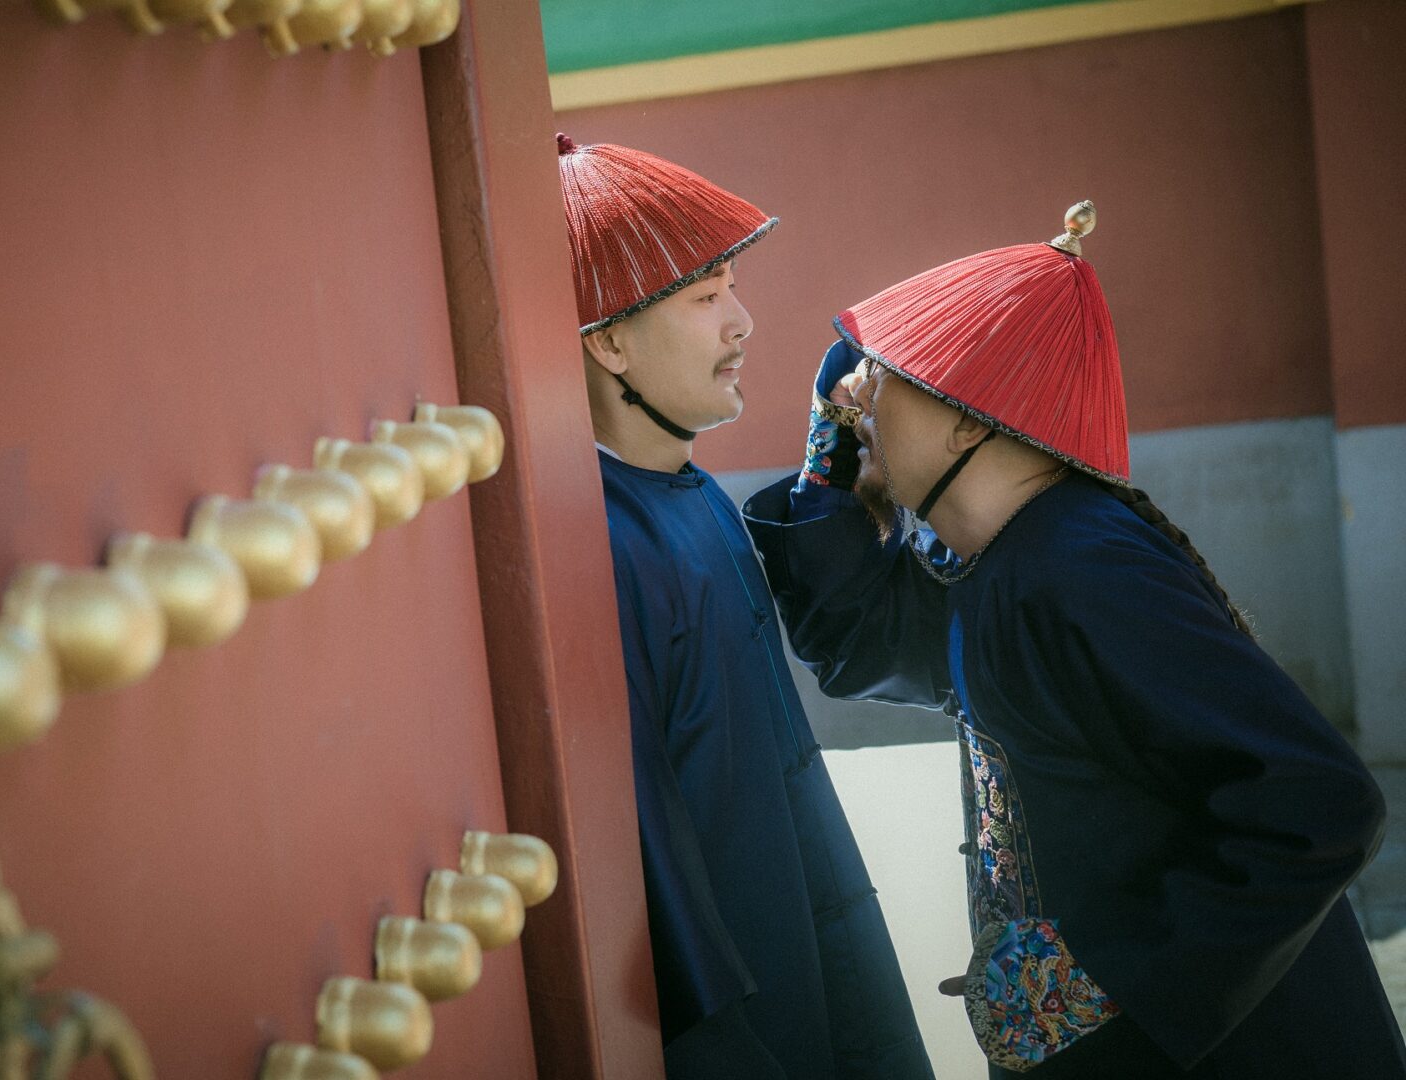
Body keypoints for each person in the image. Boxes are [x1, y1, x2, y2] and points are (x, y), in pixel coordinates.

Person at [744, 203, 1405, 1077]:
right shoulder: (993, 559)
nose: (856, 396)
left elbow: (1318, 803)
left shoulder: (1085, 568)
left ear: (971, 419)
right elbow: (860, 646)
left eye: (883, 376)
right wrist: (828, 470)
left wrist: (1100, 973)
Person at [556, 132, 934, 1080]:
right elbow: (642, 842)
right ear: (607, 342)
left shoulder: (693, 495)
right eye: (705, 299)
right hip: (743, 1016)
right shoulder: (599, 546)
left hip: (814, 940)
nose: (743, 323)